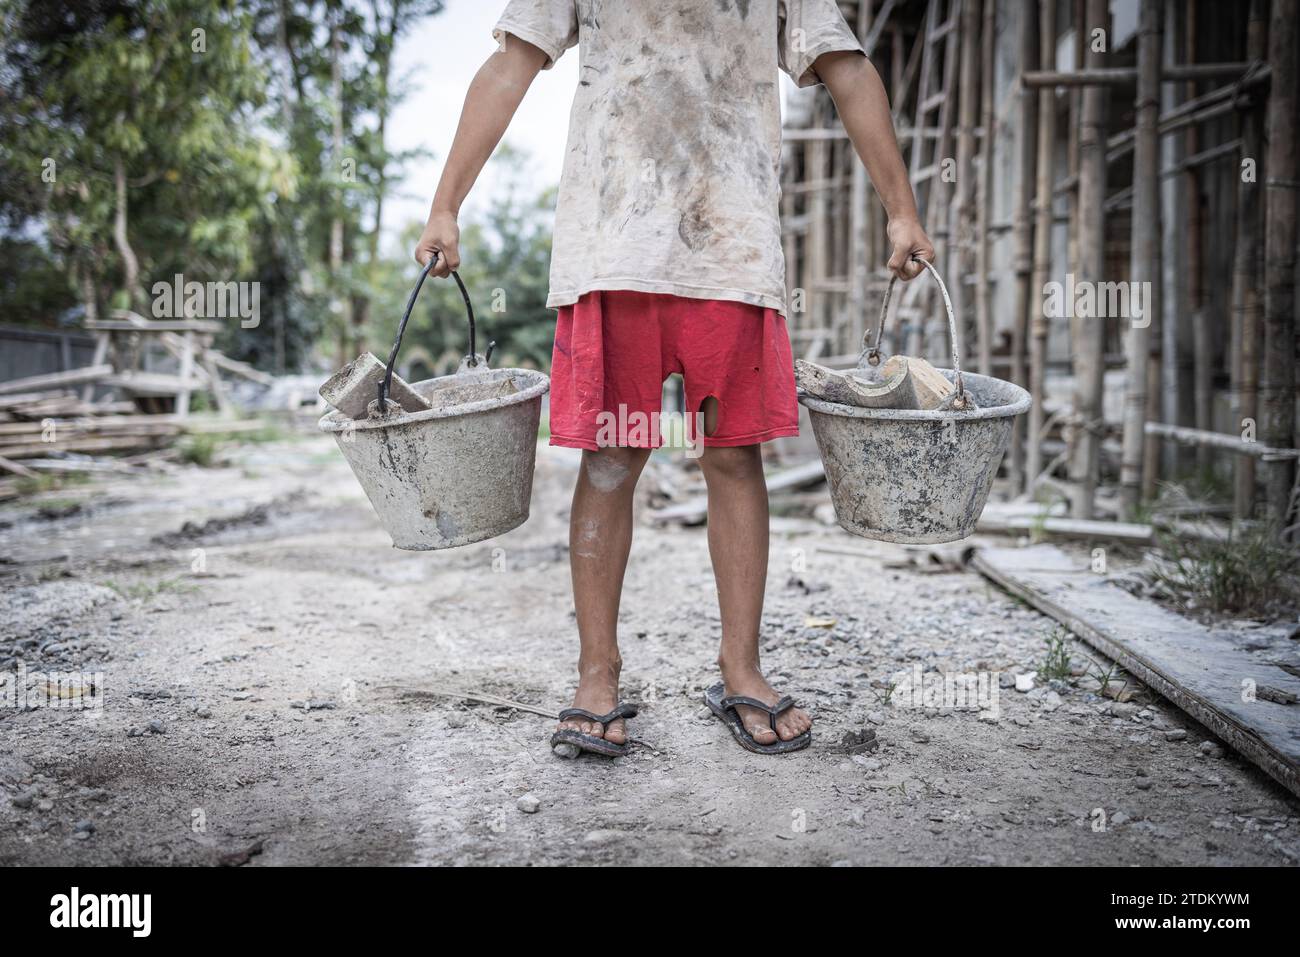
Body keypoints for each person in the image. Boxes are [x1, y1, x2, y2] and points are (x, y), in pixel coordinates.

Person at [413, 0, 934, 757]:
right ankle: (599, 676)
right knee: (613, 457)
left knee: (732, 452)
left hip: (732, 247)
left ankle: (741, 668)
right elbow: (509, 66)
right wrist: (445, 205)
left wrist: (902, 210)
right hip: (612, 245)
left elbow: (847, 68)